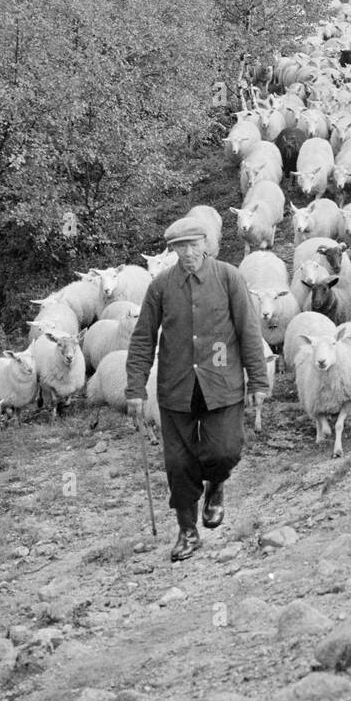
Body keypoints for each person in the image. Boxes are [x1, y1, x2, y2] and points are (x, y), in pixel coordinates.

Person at [125, 216, 270, 561]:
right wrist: (134, 387)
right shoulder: (161, 286)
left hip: (222, 383)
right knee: (178, 464)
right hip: (176, 388)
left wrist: (259, 380)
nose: (188, 253)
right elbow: (143, 337)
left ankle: (216, 485)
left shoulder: (228, 277)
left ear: (205, 244)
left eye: (193, 245)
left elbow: (249, 330)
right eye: (180, 247)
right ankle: (188, 532)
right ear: (172, 250)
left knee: (224, 452)